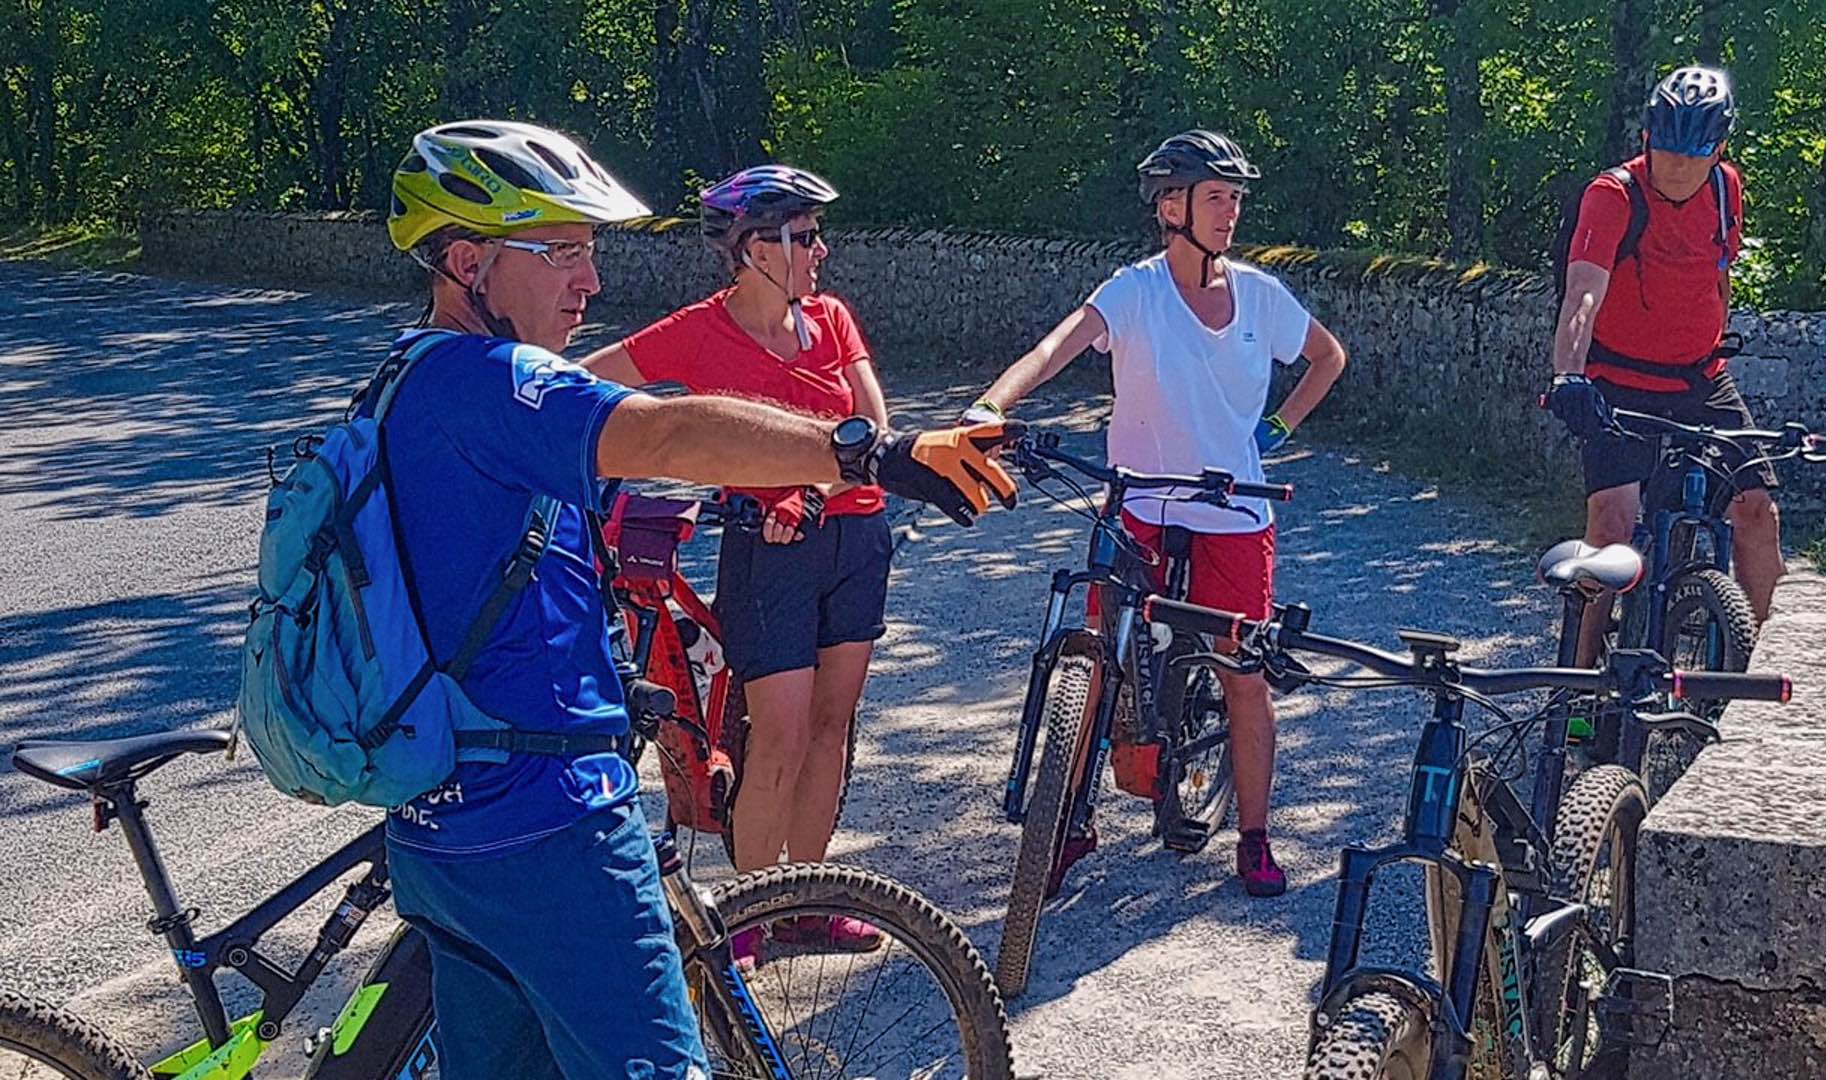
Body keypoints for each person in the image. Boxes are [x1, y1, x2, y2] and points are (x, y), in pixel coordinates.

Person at [379, 120, 1017, 1080]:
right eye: (562, 253)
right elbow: (666, 436)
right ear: (467, 262)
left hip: (446, 822)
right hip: (549, 823)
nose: (589, 281)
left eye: (590, 253)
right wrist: (865, 453)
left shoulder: (404, 378)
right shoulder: (493, 383)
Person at [964, 129, 1349, 897]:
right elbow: (1055, 348)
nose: (1232, 211)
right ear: (1171, 205)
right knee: (1096, 658)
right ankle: (1066, 826)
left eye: (1237, 198)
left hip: (1233, 508)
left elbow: (1327, 357)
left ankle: (1255, 835)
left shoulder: (1261, 295)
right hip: (1139, 499)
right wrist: (988, 407)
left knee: (1243, 672)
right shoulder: (1134, 292)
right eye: (1217, 197)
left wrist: (1274, 430)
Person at [581, 165, 891, 964]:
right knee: (778, 735)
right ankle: (750, 915)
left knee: (832, 729)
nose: (820, 251)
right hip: (767, 551)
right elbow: (585, 387)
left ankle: (808, 904)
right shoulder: (699, 330)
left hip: (854, 541)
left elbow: (872, 428)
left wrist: (817, 493)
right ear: (757, 248)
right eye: (806, 235)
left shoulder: (833, 318)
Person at [1546, 65, 1783, 665]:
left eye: (1691, 157)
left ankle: (1757, 677)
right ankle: (1575, 689)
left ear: (1719, 149)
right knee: (1613, 524)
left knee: (1757, 510)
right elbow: (1583, 296)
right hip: (1617, 379)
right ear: (1649, 137)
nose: (1675, 169)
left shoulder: (1727, 190)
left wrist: (1712, 340)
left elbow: (1716, 276)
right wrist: (1569, 375)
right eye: (1666, 152)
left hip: (1700, 377)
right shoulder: (1613, 195)